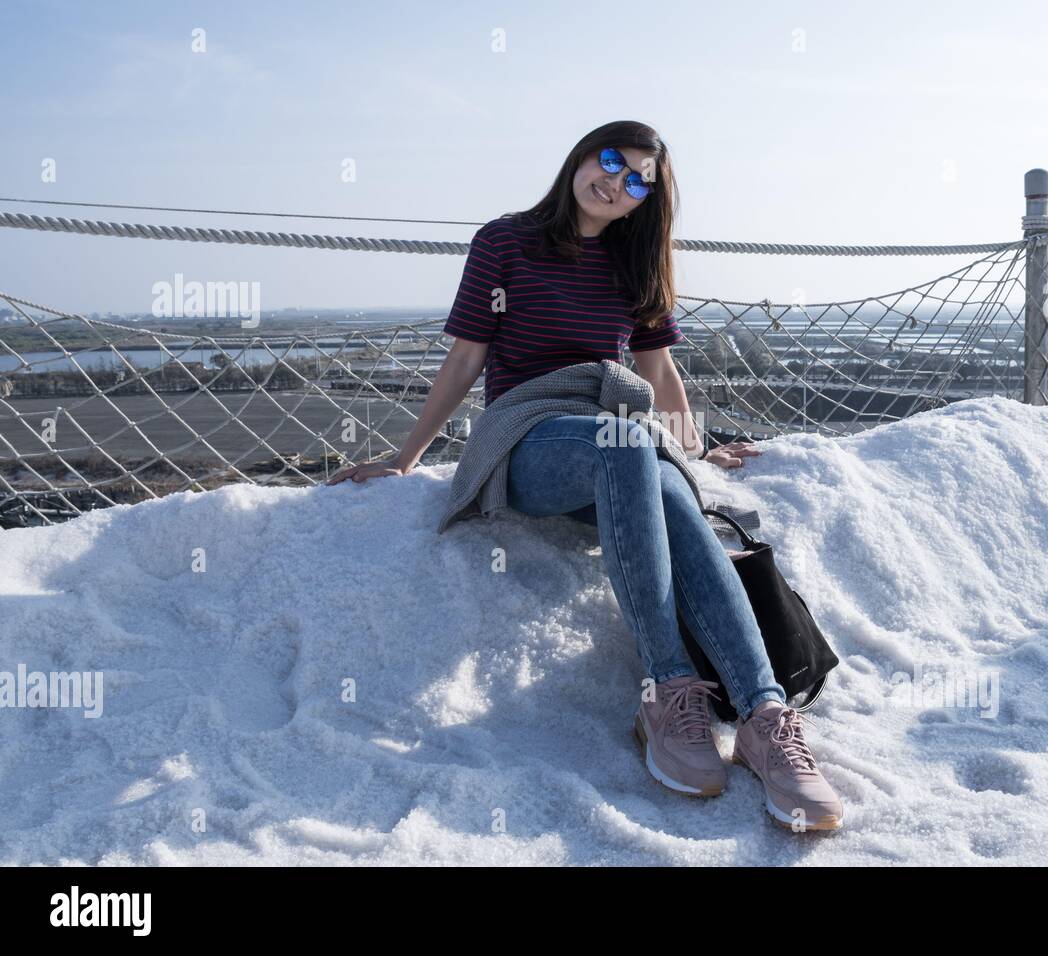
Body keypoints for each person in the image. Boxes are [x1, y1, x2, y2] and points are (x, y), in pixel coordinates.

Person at [327, 120, 843, 831]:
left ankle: (763, 715)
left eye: (638, 179)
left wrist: (690, 451)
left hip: (618, 445)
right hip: (529, 438)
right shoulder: (504, 241)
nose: (618, 181)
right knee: (630, 445)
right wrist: (405, 456)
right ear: (581, 156)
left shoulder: (636, 263)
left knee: (666, 484)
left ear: (644, 201)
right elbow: (464, 360)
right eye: (611, 161)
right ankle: (668, 688)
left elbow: (659, 372)